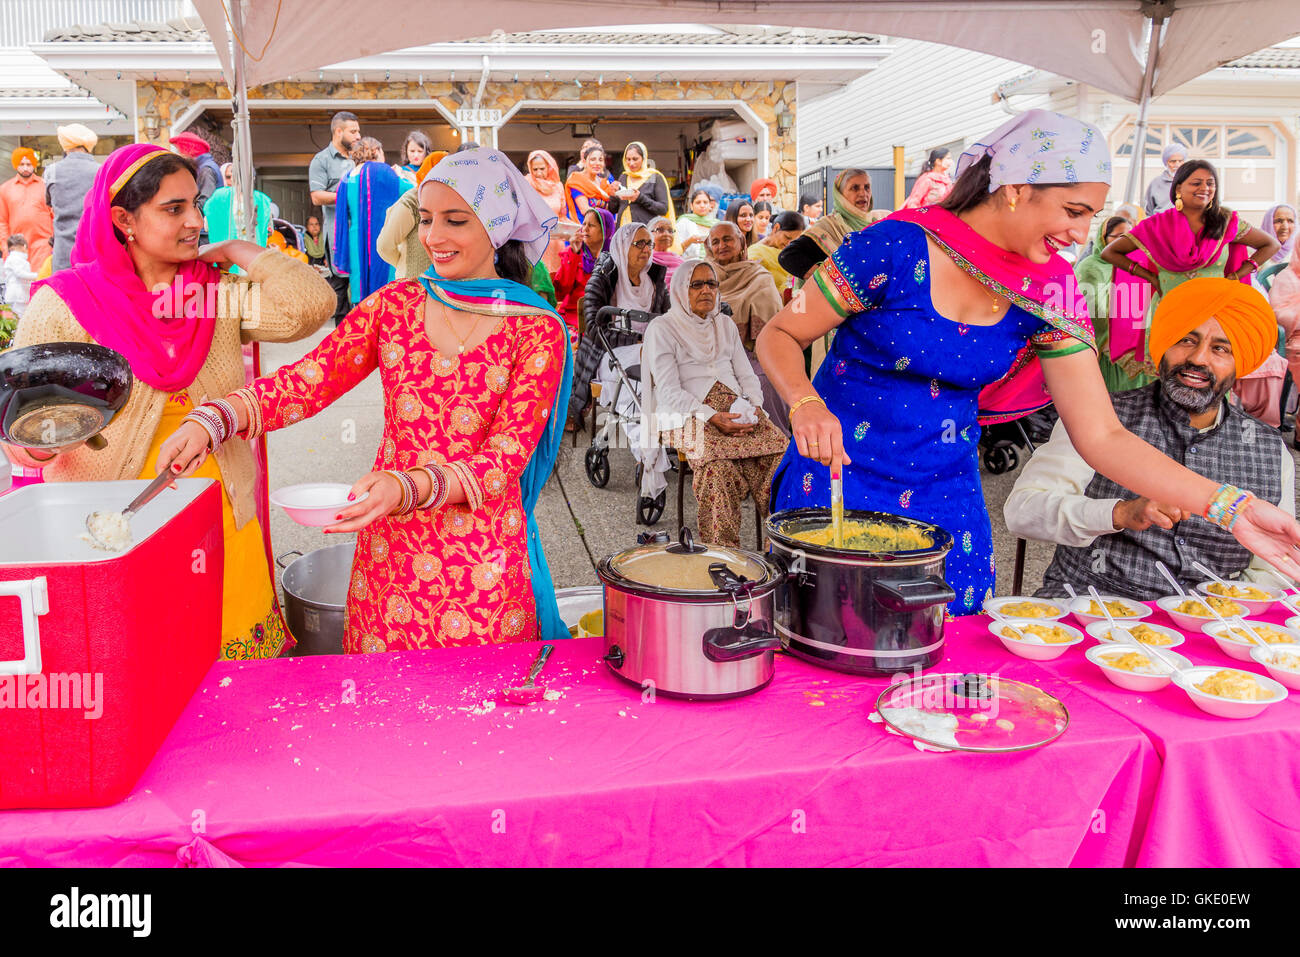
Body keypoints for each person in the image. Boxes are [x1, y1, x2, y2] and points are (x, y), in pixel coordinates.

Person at [755, 109, 1300, 615]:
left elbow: (1103, 436)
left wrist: (1231, 507)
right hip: (834, 478)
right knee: (825, 639)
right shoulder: (893, 247)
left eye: (1091, 216)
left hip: (947, 491)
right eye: (1073, 211)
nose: (1081, 235)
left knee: (942, 653)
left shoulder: (1052, 289)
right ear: (1015, 189)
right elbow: (779, 332)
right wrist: (804, 403)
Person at [157, 148, 573, 651]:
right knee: (380, 711)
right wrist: (217, 418)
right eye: (425, 219)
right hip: (391, 558)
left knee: (477, 717)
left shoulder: (537, 330)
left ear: (497, 225)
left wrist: (406, 487)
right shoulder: (395, 306)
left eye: (455, 220)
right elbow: (309, 380)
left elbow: (503, 460)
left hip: (482, 568)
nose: (432, 238)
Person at [5, 144, 334, 657]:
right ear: (123, 219)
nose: (195, 222)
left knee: (234, 665)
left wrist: (236, 251)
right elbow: (20, 422)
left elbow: (310, 307)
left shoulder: (212, 295)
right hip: (119, 525)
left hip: (221, 511)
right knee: (151, 666)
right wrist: (38, 445)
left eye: (196, 205)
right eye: (174, 209)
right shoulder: (68, 304)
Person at [1006, 278, 1292, 599]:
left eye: (1220, 348)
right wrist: (1120, 513)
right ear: (1163, 344)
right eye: (1185, 339)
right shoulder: (1097, 417)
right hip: (1089, 606)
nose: (1198, 358)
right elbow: (1022, 512)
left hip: (1213, 625)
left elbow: (1273, 568)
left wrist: (1225, 613)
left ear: (1242, 363)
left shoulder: (1270, 449)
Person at [641, 261, 786, 546]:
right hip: (686, 413)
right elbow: (669, 391)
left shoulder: (724, 323)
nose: (706, 290)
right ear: (682, 289)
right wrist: (711, 416)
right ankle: (723, 554)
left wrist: (755, 405)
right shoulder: (663, 329)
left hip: (736, 408)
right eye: (697, 284)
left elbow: (746, 374)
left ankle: (780, 548)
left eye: (711, 284)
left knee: (781, 457)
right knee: (718, 470)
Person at [1101, 159, 1279, 385]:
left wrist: (1236, 276)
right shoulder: (1157, 225)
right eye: (1196, 183)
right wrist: (1149, 277)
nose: (1205, 188)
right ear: (1177, 189)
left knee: (1211, 375)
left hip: (1214, 313)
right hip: (1171, 312)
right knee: (1171, 377)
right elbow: (1110, 252)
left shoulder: (1225, 222)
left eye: (1210, 183)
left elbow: (1270, 245)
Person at [569, 221, 670, 424]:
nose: (646, 249)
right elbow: (594, 328)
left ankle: (653, 432)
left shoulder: (654, 280)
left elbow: (668, 318)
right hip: (607, 353)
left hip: (648, 350)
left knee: (671, 363)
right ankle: (646, 434)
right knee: (655, 368)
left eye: (649, 244)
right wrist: (638, 341)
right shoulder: (603, 278)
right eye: (639, 243)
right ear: (623, 246)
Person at [708, 221, 788, 434]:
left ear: (741, 242)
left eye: (727, 239)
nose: (721, 245)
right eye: (715, 242)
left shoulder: (759, 277)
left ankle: (774, 439)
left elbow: (771, 319)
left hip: (754, 350)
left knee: (767, 381)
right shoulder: (703, 277)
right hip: (710, 352)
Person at [1072, 214, 1151, 392]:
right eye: (1118, 237)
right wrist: (1112, 337)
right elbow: (1090, 310)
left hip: (1136, 342)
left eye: (1129, 238)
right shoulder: (1090, 267)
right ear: (1103, 238)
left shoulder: (1137, 266)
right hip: (1107, 346)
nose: (1124, 242)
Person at [334, 138, 401, 304]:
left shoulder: (346, 178)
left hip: (356, 240)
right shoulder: (383, 171)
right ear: (376, 151)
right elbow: (410, 192)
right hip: (382, 237)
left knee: (360, 291)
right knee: (386, 292)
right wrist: (400, 175)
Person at [309, 110, 362, 320]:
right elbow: (316, 197)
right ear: (338, 132)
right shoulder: (321, 160)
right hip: (337, 234)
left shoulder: (360, 157)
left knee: (362, 284)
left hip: (362, 233)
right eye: (353, 131)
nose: (358, 136)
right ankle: (342, 343)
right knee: (340, 286)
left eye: (358, 131)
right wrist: (349, 193)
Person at [779, 169, 875, 283]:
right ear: (840, 195)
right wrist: (829, 282)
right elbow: (787, 256)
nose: (863, 193)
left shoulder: (876, 225)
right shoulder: (827, 227)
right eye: (855, 188)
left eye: (867, 187)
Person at [553, 206, 614, 351]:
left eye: (591, 225)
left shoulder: (614, 256)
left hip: (604, 319)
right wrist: (574, 253)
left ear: (605, 230)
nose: (585, 229)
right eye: (584, 224)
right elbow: (561, 290)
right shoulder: (573, 252)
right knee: (565, 343)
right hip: (573, 318)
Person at [43, 124, 99, 273]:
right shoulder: (100, 171)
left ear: (65, 146)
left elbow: (49, 203)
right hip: (94, 252)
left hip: (63, 253)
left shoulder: (52, 171)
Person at [203, 166, 273, 275]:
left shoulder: (218, 197)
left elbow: (207, 226)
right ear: (252, 178)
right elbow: (268, 231)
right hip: (250, 257)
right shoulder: (262, 200)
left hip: (230, 258)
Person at [523, 149, 577, 273]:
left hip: (556, 242)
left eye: (542, 168)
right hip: (536, 242)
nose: (539, 173)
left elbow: (562, 216)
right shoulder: (526, 185)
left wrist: (575, 229)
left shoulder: (557, 186)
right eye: (535, 169)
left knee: (557, 281)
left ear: (549, 167)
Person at [0, 148, 53, 271]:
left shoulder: (45, 186)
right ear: (15, 165)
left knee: (40, 282)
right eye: (21, 164)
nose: (25, 168)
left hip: (43, 245)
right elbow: (2, 222)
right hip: (17, 246)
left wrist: (55, 244)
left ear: (34, 165)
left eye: (28, 164)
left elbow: (54, 216)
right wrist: (5, 247)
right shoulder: (5, 189)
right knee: (19, 285)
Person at [610, 141, 675, 227]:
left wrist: (640, 198)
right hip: (624, 231)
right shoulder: (624, 177)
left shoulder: (653, 177)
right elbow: (613, 209)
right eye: (628, 159)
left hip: (646, 232)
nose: (631, 163)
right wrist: (613, 195)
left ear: (644, 158)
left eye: (635, 159)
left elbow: (663, 209)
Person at [747, 210, 805, 297]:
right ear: (776, 228)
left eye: (794, 241)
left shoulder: (791, 252)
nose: (789, 244)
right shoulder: (755, 252)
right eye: (787, 237)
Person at [169, 131, 223, 219]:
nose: (180, 154)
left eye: (180, 150)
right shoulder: (203, 167)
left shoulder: (205, 169)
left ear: (188, 150)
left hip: (206, 226)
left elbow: (205, 200)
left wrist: (187, 216)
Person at [564, 142, 615, 221]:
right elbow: (585, 210)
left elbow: (613, 207)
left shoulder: (604, 183)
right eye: (592, 159)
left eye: (600, 160)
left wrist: (601, 204)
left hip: (602, 228)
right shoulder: (576, 180)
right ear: (584, 161)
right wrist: (605, 207)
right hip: (582, 228)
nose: (597, 163)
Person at [1258, 203, 1296, 291]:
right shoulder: (1253, 251)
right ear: (1268, 223)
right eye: (1279, 221)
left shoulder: (1297, 250)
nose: (1285, 227)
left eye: (1290, 221)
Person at [674, 188, 718, 261]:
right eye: (698, 202)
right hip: (689, 265)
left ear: (710, 205)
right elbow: (675, 250)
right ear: (691, 206)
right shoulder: (684, 222)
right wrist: (690, 241)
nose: (702, 205)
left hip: (713, 265)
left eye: (705, 202)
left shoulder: (716, 224)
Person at [1144, 144, 1186, 216]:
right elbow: (1148, 211)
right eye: (1173, 161)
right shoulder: (1155, 183)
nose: (1177, 165)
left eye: (1180, 161)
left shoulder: (1190, 181)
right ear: (1166, 163)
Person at [3, 235, 36, 318]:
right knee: (20, 318)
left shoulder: (15, 258)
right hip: (17, 295)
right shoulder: (15, 258)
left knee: (20, 317)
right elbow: (20, 273)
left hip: (20, 294)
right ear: (23, 246)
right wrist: (37, 275)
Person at [649, 215, 683, 284]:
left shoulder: (680, 260)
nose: (667, 234)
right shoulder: (645, 260)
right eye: (660, 230)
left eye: (670, 231)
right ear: (648, 234)